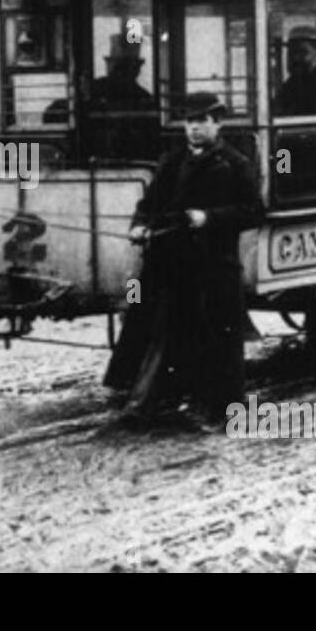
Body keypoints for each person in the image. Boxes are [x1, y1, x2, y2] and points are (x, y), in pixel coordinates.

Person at [103, 91, 264, 425]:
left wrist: (209, 218)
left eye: (201, 121)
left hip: (214, 264)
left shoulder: (236, 163)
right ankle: (149, 398)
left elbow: (253, 212)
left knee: (217, 336)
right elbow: (148, 205)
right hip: (170, 261)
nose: (194, 129)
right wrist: (141, 226)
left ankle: (220, 409)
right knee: (160, 326)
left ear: (217, 123)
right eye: (189, 122)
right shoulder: (172, 162)